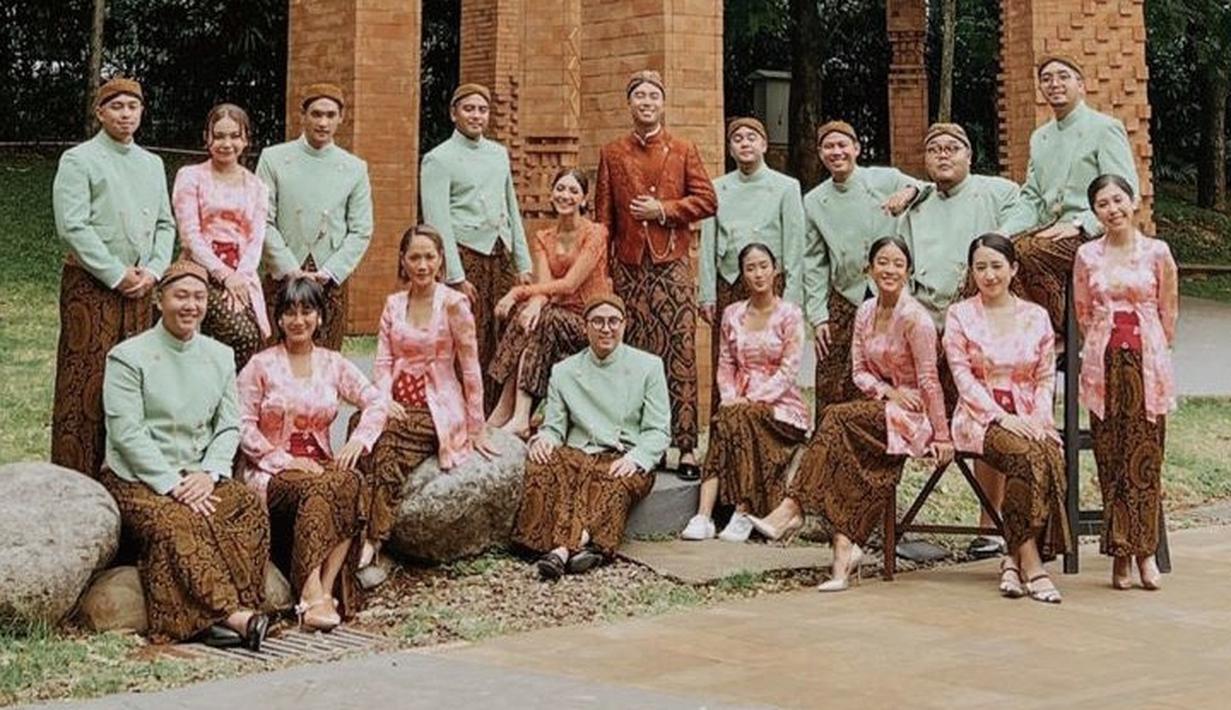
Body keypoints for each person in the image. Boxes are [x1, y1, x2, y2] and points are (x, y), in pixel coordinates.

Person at [753, 238, 952, 592]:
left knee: (836, 417)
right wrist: (887, 391)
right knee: (847, 456)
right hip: (880, 408)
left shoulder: (916, 319)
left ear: (908, 272)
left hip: (913, 416)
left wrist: (942, 435)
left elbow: (929, 381)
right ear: (869, 269)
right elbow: (859, 372)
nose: (890, 270)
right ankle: (843, 554)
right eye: (882, 262)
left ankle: (793, 508)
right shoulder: (866, 312)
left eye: (898, 264)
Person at [100, 260, 270, 649]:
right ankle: (235, 617)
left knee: (247, 507)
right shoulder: (127, 357)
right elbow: (127, 433)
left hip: (199, 475)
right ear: (159, 300)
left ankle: (221, 616)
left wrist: (209, 473)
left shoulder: (220, 355)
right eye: (181, 296)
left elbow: (229, 425)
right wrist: (172, 484)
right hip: (139, 478)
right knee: (177, 523)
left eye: (199, 297)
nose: (190, 305)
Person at [897, 122, 1022, 559]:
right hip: (927, 323)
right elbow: (899, 265)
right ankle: (891, 524)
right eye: (934, 149)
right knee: (897, 406)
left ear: (969, 155)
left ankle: (991, 525)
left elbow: (1028, 213)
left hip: (978, 323)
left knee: (989, 411)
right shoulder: (916, 205)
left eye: (953, 148)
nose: (943, 155)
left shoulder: (997, 192)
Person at [237, 277, 387, 628]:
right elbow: (242, 425)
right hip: (271, 469)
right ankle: (308, 592)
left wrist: (360, 439)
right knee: (321, 488)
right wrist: (285, 460)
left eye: (307, 311)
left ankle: (324, 589)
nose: (298, 320)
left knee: (350, 482)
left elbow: (376, 400)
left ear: (319, 317)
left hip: (319, 464)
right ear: (278, 319)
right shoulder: (261, 365)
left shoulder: (332, 363)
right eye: (290, 312)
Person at [594, 69, 717, 480]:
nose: (646, 103)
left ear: (663, 104)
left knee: (680, 351)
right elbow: (603, 220)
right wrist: (604, 275)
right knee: (635, 354)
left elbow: (707, 201)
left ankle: (686, 446)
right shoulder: (612, 153)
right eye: (639, 96)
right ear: (629, 104)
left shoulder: (682, 149)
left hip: (672, 264)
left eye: (653, 96)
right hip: (628, 267)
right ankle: (644, 442)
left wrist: (663, 210)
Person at [361, 225, 498, 588]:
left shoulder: (454, 304)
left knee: (388, 443)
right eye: (414, 257)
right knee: (363, 430)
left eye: (429, 257)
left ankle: (374, 538)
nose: (422, 265)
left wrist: (476, 426)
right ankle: (352, 528)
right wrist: (383, 400)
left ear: (440, 261)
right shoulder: (393, 304)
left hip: (435, 404)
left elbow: (470, 366)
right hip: (396, 399)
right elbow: (383, 362)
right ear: (403, 261)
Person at [51, 77, 174, 478]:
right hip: (92, 285)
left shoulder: (152, 164)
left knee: (132, 381)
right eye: (116, 106)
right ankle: (75, 477)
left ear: (142, 112)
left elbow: (165, 224)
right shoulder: (79, 159)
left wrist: (153, 270)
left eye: (132, 107)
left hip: (140, 287)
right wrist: (115, 273)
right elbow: (73, 226)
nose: (125, 114)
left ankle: (125, 475)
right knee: (85, 381)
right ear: (100, 112)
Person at [944, 234, 1071, 603]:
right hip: (979, 418)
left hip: (1029, 416)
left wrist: (1038, 420)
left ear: (1013, 269)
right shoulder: (960, 315)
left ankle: (1011, 560)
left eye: (997, 266)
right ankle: (1031, 562)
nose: (989, 275)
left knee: (1048, 452)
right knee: (1026, 455)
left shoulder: (1036, 316)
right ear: (972, 272)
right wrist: (1001, 418)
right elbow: (962, 377)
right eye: (981, 267)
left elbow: (1045, 376)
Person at [513, 294, 670, 580]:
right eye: (597, 321)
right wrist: (545, 438)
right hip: (579, 451)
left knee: (615, 483)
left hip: (624, 453)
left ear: (624, 324)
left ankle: (560, 550)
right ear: (585, 326)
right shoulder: (564, 371)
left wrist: (637, 458)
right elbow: (555, 426)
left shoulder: (649, 366)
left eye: (613, 321)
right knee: (542, 466)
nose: (606, 329)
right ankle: (586, 546)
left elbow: (658, 430)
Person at [1074, 174, 1177, 591]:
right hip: (1104, 364)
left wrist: (1151, 350)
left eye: (1118, 200)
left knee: (1145, 459)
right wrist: (1105, 346)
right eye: (1103, 204)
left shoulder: (1157, 252)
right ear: (1095, 212)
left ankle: (1145, 553)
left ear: (1133, 203)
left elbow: (1168, 311)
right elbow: (1083, 311)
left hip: (1146, 363)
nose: (1112, 209)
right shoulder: (1087, 255)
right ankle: (1119, 554)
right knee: (1112, 457)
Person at [999, 54, 1140, 337]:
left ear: (1081, 85)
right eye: (1046, 79)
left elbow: (1126, 192)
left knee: (1027, 251)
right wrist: (1002, 233)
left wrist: (1080, 223)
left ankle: (1066, 331)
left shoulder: (1104, 128)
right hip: (1050, 230)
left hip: (1092, 232)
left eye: (1063, 76)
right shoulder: (1040, 137)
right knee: (993, 256)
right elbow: (1032, 198)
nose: (1055, 84)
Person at [680, 243, 808, 542]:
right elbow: (725, 363)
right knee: (729, 417)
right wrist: (728, 397)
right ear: (742, 274)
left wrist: (749, 399)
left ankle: (743, 509)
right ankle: (704, 516)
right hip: (739, 399)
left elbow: (789, 370)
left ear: (775, 270)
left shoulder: (790, 314)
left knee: (739, 415)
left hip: (782, 405)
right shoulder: (732, 313)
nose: (758, 274)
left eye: (764, 266)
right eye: (751, 268)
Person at [420, 83, 533, 414]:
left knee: (504, 331)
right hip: (465, 254)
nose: (476, 116)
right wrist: (454, 276)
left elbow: (511, 209)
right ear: (453, 113)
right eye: (468, 109)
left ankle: (497, 412)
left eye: (482, 110)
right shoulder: (438, 159)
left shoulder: (498, 154)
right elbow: (437, 222)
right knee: (467, 333)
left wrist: (523, 262)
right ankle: (461, 411)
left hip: (501, 253)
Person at [803, 120, 918, 423]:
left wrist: (907, 193)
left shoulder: (884, 178)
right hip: (846, 292)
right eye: (829, 146)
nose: (836, 152)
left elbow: (923, 188)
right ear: (820, 153)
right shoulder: (814, 201)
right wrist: (818, 315)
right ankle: (828, 435)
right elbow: (814, 261)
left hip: (888, 290)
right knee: (832, 371)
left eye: (843, 145)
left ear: (856, 148)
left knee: (886, 367)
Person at [488, 168, 611, 437]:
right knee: (532, 315)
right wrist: (534, 302)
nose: (565, 195)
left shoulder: (596, 234)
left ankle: (515, 413)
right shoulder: (544, 237)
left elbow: (569, 285)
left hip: (589, 322)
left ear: (584, 199)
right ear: (552, 194)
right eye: (560, 188)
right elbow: (545, 285)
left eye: (573, 191)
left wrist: (518, 293)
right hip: (555, 321)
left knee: (542, 316)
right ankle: (510, 412)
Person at [257, 82, 373, 351]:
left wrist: (330, 272)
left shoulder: (354, 168)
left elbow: (361, 229)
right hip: (284, 272)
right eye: (316, 114)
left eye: (330, 115)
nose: (323, 122)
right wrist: (289, 267)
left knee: (326, 358)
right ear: (303, 115)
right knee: (277, 354)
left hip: (328, 277)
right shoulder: (273, 159)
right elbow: (262, 219)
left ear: (341, 118)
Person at [173, 103, 270, 370]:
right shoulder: (190, 177)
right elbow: (190, 235)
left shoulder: (257, 187)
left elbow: (256, 240)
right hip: (200, 270)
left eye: (235, 136)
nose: (227, 144)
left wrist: (240, 278)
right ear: (207, 138)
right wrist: (224, 275)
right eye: (219, 136)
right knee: (240, 333)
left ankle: (234, 394)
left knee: (254, 336)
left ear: (246, 139)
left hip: (242, 274)